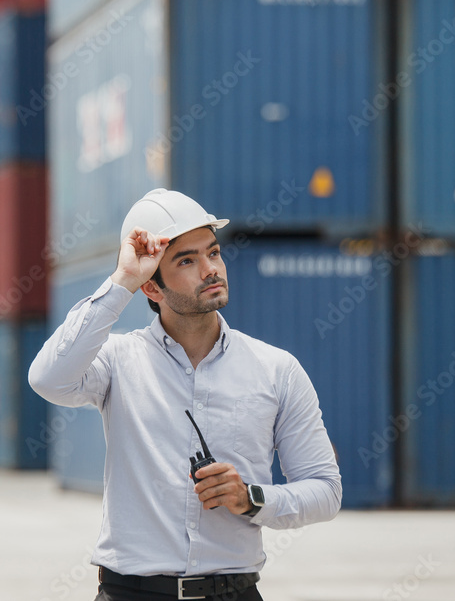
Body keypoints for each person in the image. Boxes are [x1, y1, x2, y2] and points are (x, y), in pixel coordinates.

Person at [29, 189, 341, 600]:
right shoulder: (118, 361)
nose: (210, 269)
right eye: (187, 261)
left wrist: (250, 498)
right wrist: (122, 281)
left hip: (234, 591)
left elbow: (325, 490)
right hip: (131, 593)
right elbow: (48, 378)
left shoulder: (276, 370)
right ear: (152, 289)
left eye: (213, 253)